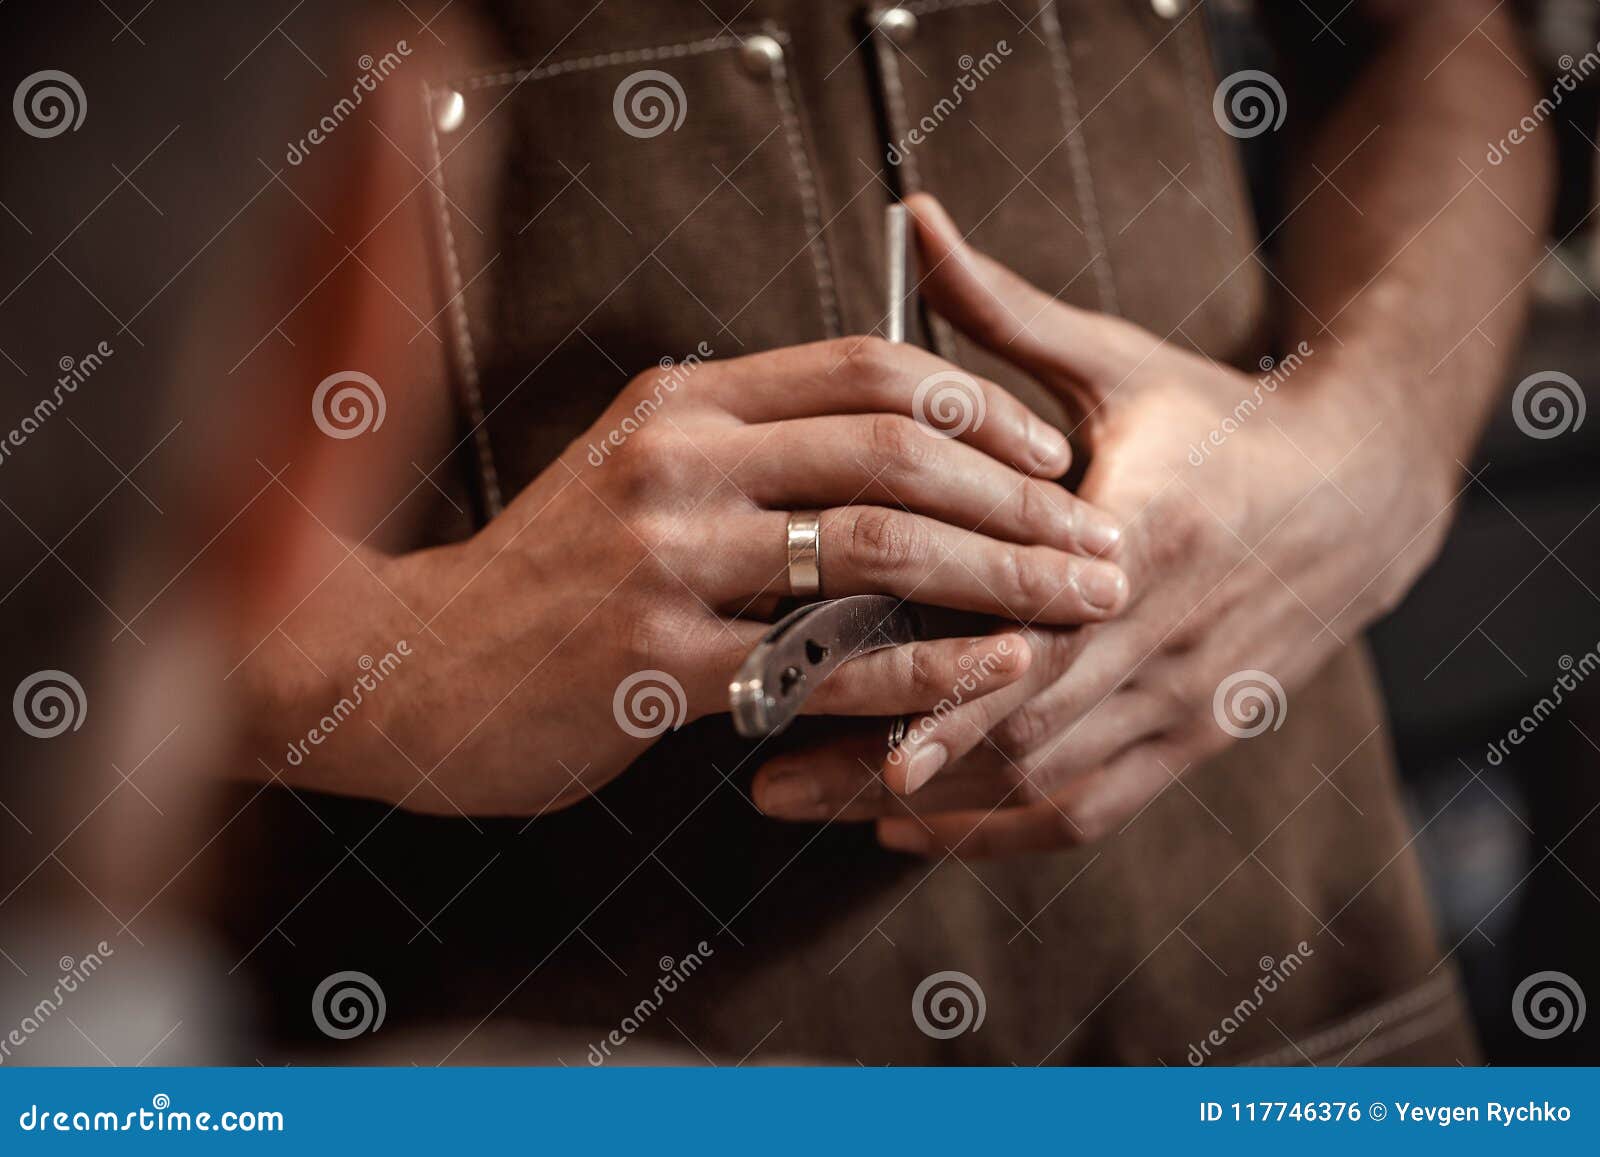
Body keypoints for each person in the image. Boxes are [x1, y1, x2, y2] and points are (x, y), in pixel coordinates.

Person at [208, 0, 1550, 1064]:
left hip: (1278, 998)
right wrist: (354, 663)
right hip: (502, 1036)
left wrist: (1381, 438)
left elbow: (1436, 33)